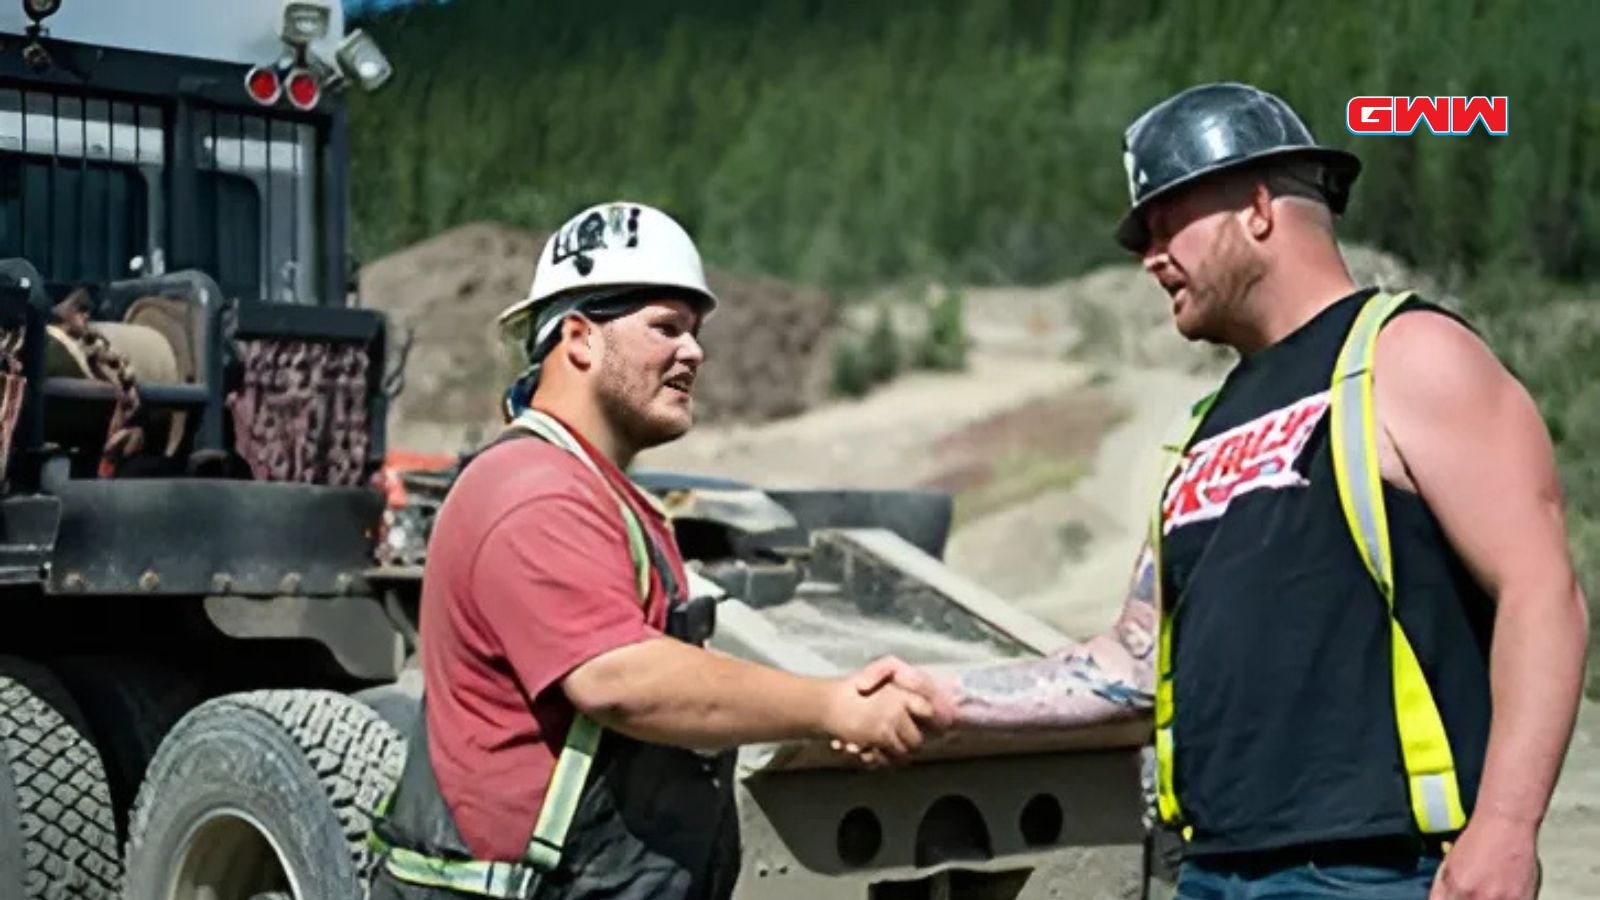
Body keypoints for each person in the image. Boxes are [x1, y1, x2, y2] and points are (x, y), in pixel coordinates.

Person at [887, 82, 1589, 900]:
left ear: (1258, 206)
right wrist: (941, 695)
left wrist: (1506, 827)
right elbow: (1130, 663)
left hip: (1377, 870)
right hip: (1215, 871)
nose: (1149, 258)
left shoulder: (1407, 355)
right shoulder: (1201, 428)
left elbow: (1542, 593)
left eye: (1164, 224)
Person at [367, 201, 952, 900]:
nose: (694, 351)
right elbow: (621, 679)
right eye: (666, 327)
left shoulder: (594, 490)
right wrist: (830, 707)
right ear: (580, 339)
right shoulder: (533, 491)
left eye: (696, 330)